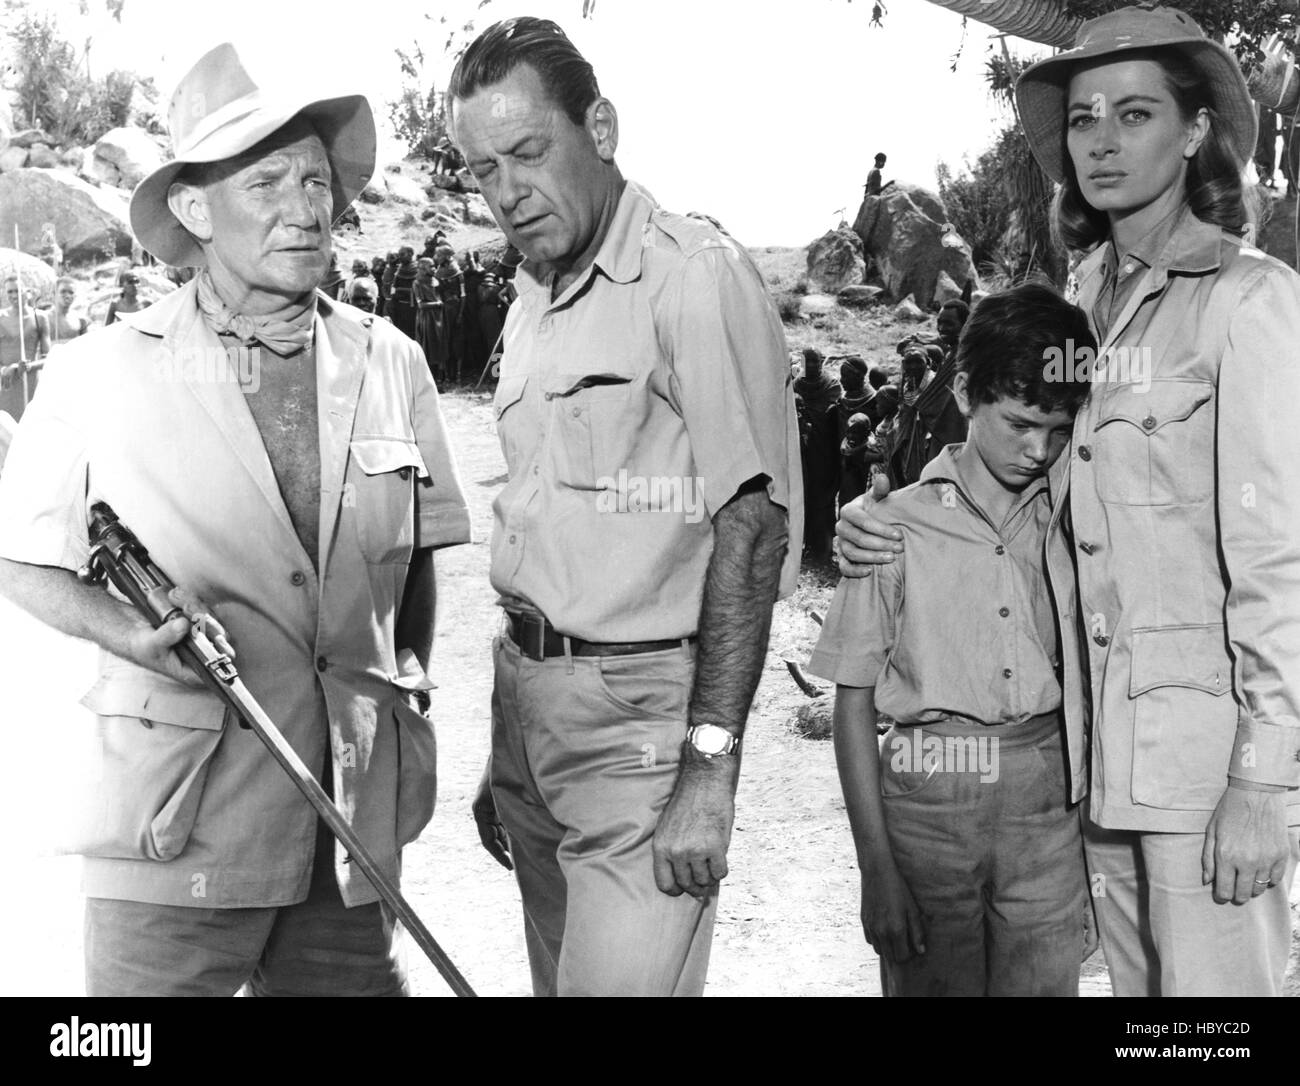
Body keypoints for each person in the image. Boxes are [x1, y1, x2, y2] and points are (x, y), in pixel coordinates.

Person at [838, 4, 1300, 998]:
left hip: (1199, 771)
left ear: (1194, 132)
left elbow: (1278, 563)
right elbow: (1033, 494)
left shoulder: (1248, 302)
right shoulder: (1081, 304)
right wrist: (889, 516)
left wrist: (1263, 780)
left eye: (1134, 114)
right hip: (1093, 767)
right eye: (1083, 116)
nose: (1100, 138)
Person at [0, 41, 471, 997]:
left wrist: (406, 680)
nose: (308, 206)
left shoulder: (393, 363)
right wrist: (132, 634)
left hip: (347, 842)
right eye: (269, 181)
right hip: (173, 833)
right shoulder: (101, 370)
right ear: (193, 208)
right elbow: (22, 557)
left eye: (315, 178)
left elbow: (414, 554)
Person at [448, 16, 800, 997]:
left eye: (527, 153)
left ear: (598, 128)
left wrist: (709, 770)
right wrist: (507, 748)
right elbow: (543, 532)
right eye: (482, 170)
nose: (507, 192)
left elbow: (753, 526)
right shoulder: (533, 296)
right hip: (532, 715)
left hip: (641, 736)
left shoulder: (692, 278)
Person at [811, 283, 1094, 996]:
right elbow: (852, 704)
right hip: (927, 802)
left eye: (1059, 431)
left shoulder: (1074, 515)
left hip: (1046, 796)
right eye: (1021, 424)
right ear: (965, 393)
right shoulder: (890, 527)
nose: (1040, 449)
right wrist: (876, 868)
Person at [889, 346, 966, 487]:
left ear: (928, 363)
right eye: (908, 362)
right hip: (911, 438)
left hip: (933, 437)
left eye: (918, 361)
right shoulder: (906, 384)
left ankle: (946, 503)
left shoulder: (935, 385)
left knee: (940, 479)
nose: (913, 366)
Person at [794, 347, 841, 561]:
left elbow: (832, 417)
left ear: (821, 362)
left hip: (824, 450)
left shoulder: (831, 386)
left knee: (823, 497)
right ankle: (805, 543)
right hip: (803, 452)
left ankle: (823, 546)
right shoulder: (796, 386)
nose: (811, 366)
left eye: (815, 361)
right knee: (805, 495)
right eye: (807, 361)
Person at [0, 276, 50, 422]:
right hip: (5, 382)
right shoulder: (1, 317)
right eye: (10, 292)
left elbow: (48, 357)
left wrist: (30, 366)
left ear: (26, 292)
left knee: (30, 426)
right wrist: (6, 369)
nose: (14, 295)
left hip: (30, 380)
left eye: (17, 290)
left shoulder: (39, 317)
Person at [413, 256, 443, 378]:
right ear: (424, 268)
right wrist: (436, 304)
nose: (434, 269)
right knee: (427, 346)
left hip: (438, 317)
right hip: (426, 318)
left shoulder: (436, 281)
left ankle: (439, 377)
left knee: (438, 346)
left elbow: (439, 296)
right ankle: (427, 377)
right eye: (431, 266)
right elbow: (420, 304)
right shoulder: (417, 283)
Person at [46, 277, 90, 344]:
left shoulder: (81, 320)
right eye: (63, 292)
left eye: (71, 292)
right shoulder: (44, 319)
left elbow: (86, 346)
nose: (67, 296)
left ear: (75, 296)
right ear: (54, 294)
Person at [387, 246, 418, 340]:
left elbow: (418, 289)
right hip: (399, 306)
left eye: (402, 254)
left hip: (412, 307)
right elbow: (394, 286)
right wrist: (392, 297)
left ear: (410, 254)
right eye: (399, 255)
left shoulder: (417, 269)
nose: (399, 257)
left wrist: (401, 290)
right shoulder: (400, 269)